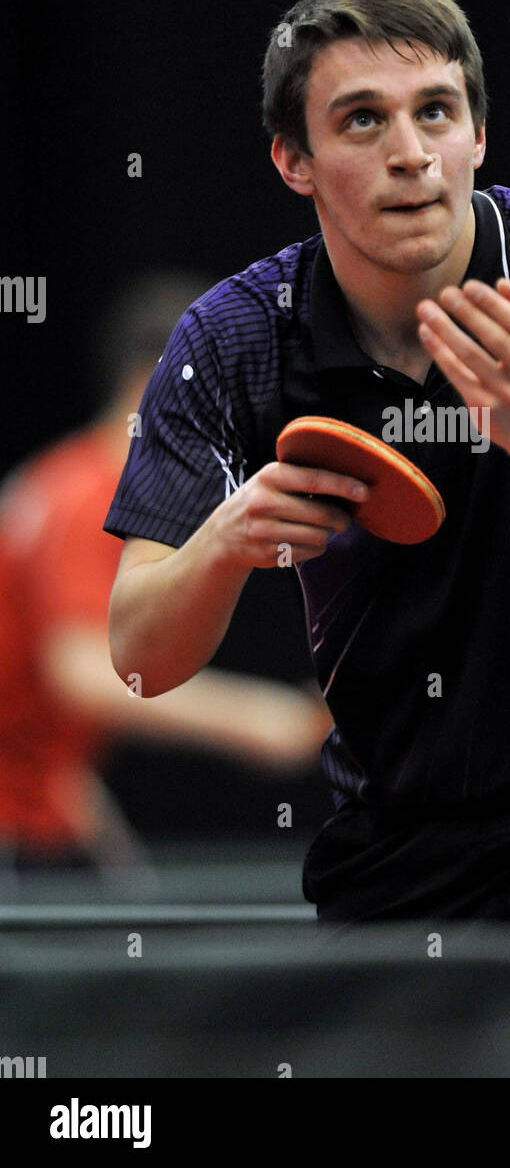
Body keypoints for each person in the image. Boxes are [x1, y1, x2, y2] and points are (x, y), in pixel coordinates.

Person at [104, 0, 510, 1076]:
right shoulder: (231, 342)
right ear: (293, 160)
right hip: (404, 830)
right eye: (362, 120)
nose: (409, 152)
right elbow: (136, 655)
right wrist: (228, 538)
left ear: (477, 133)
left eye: (435, 113)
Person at [0, 272, 332, 874]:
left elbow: (27, 703)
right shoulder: (88, 495)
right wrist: (255, 719)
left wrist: (87, 818)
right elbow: (79, 671)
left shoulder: (57, 482)